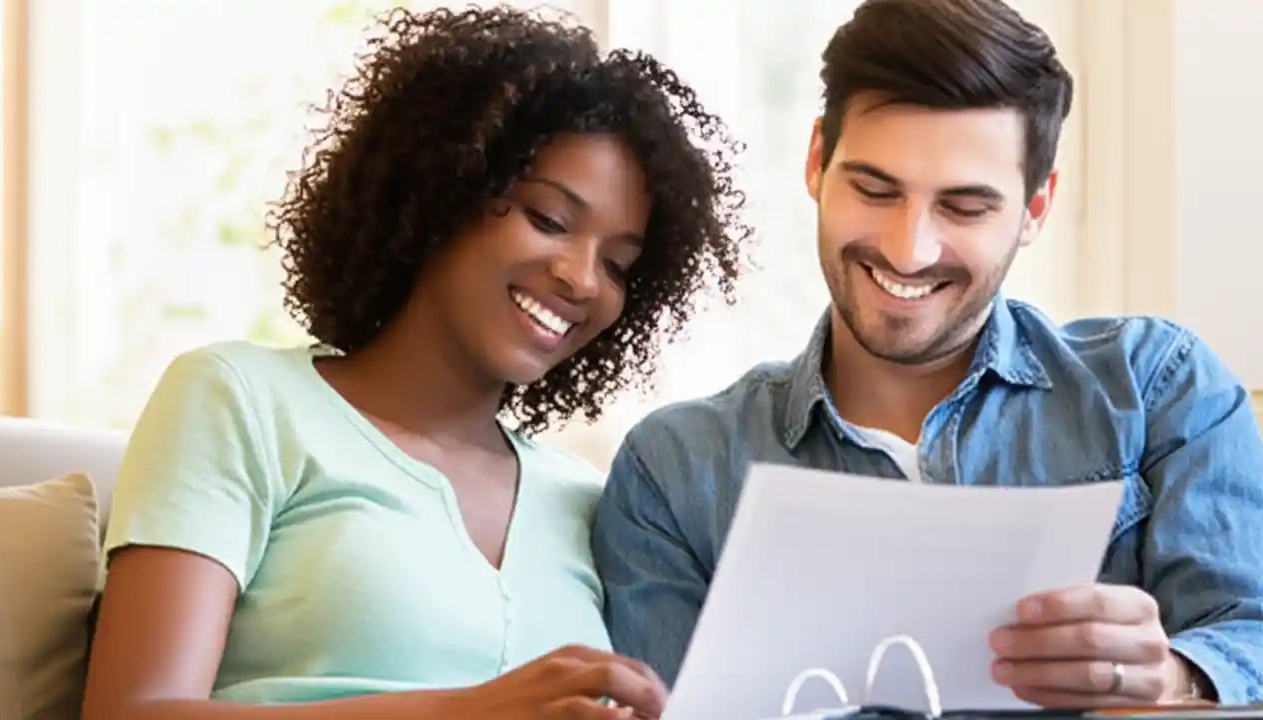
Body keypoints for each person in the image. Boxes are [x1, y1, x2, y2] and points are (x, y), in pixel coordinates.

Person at [81, 6, 750, 719]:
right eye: (549, 220)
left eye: (618, 263)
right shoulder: (240, 400)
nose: (583, 280)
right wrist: (466, 712)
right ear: (442, 191)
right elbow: (130, 710)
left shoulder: (584, 499)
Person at [593, 0, 1263, 710]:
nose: (908, 249)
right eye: (874, 189)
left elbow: (1250, 631)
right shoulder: (673, 472)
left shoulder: (1158, 388)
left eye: (965, 208)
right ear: (817, 160)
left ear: (1036, 207)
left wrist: (1175, 677)